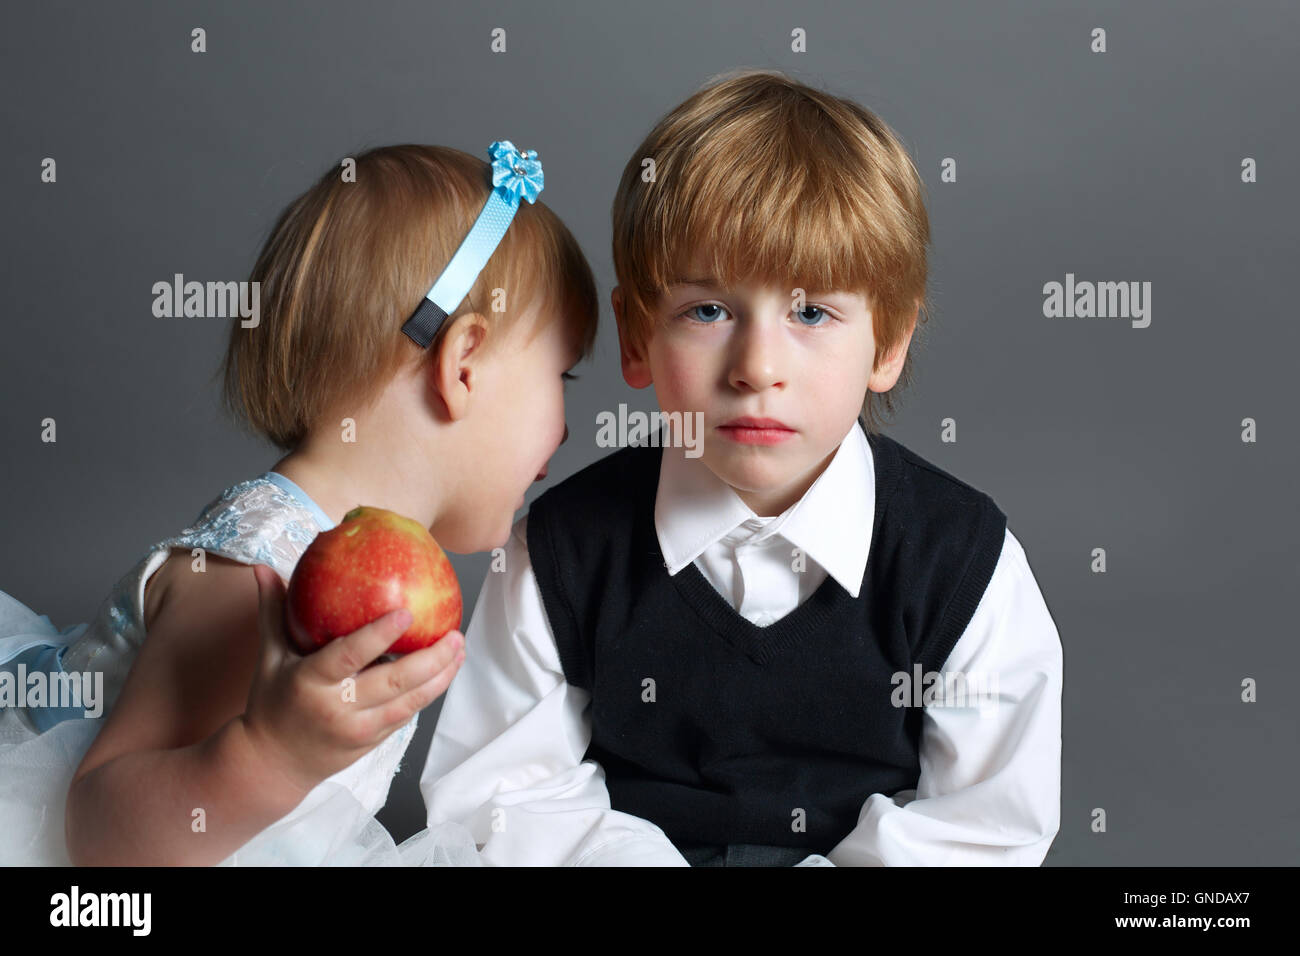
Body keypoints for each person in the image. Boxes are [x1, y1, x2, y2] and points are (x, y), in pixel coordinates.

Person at [419, 71, 1064, 866]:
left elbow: (982, 827)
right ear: (635, 337)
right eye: (708, 311)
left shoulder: (962, 559)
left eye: (812, 312)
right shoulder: (562, 550)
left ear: (889, 342)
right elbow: (499, 797)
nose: (758, 366)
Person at [0, 140, 599, 865]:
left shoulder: (358, 564)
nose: (566, 428)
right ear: (462, 365)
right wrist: (268, 758)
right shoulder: (255, 574)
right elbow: (98, 837)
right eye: (560, 378)